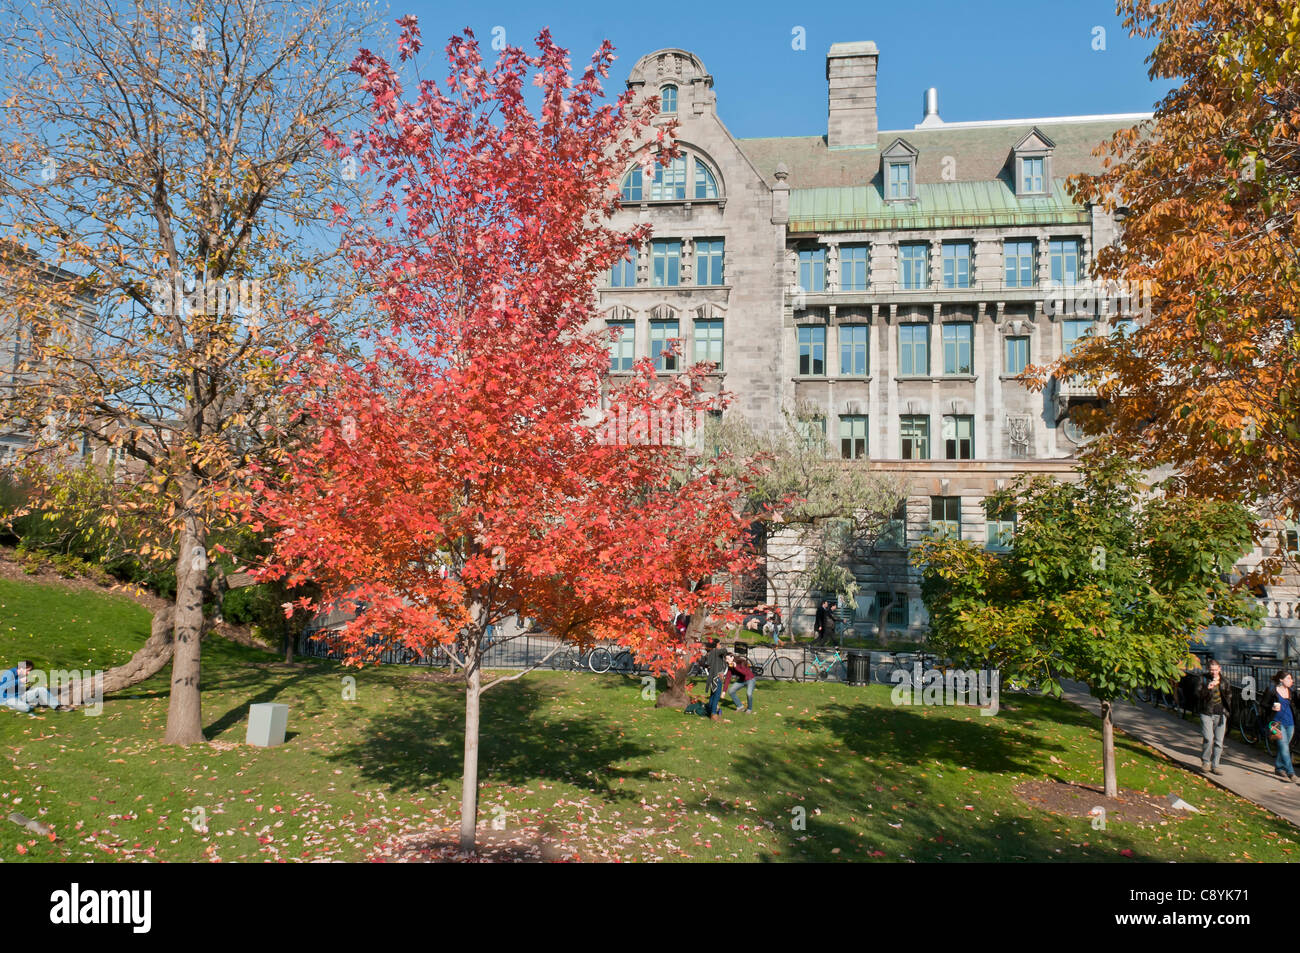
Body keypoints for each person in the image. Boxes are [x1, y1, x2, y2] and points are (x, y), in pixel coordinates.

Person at [1196, 658, 1231, 775]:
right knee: (1208, 738)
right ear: (1208, 669)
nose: (1214, 672)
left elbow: (1229, 696)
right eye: (1212, 670)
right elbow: (1197, 694)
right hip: (1206, 712)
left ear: (1220, 669)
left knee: (1219, 741)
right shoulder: (1203, 679)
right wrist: (1208, 688)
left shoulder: (1224, 681)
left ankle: (1215, 765)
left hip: (1220, 714)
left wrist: (1226, 711)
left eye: (1216, 670)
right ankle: (1206, 761)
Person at [1264, 671, 1296, 782]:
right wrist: (1271, 707)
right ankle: (1291, 772)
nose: (1291, 681)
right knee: (1284, 748)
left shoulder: (1292, 691)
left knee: (1284, 747)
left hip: (1290, 723)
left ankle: (1279, 767)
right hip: (1276, 723)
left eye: (1291, 679)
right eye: (1289, 678)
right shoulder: (1272, 691)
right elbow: (1263, 704)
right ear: (1281, 680)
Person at [704, 641, 730, 720]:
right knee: (717, 696)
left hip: (712, 677)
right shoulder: (715, 651)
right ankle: (714, 714)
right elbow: (725, 650)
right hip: (716, 677)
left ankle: (710, 710)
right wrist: (722, 648)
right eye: (719, 644)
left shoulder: (710, 653)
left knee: (712, 695)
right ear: (715, 645)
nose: (720, 645)